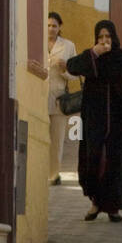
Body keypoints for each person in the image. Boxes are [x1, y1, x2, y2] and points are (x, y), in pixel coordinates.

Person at [62, 20, 122, 222]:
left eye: (107, 37)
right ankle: (95, 203)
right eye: (100, 37)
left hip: (118, 121)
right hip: (94, 119)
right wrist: (93, 53)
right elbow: (72, 66)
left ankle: (113, 207)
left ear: (114, 38)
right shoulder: (91, 58)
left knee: (115, 162)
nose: (104, 41)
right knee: (94, 160)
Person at [47, 12, 77, 185]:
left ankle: (54, 174)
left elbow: (75, 74)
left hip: (59, 98)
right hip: (39, 97)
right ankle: (40, 171)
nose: (51, 29)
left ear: (60, 28)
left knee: (56, 139)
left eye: (54, 26)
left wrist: (64, 69)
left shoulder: (68, 46)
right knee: (39, 137)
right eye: (48, 25)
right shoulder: (36, 41)